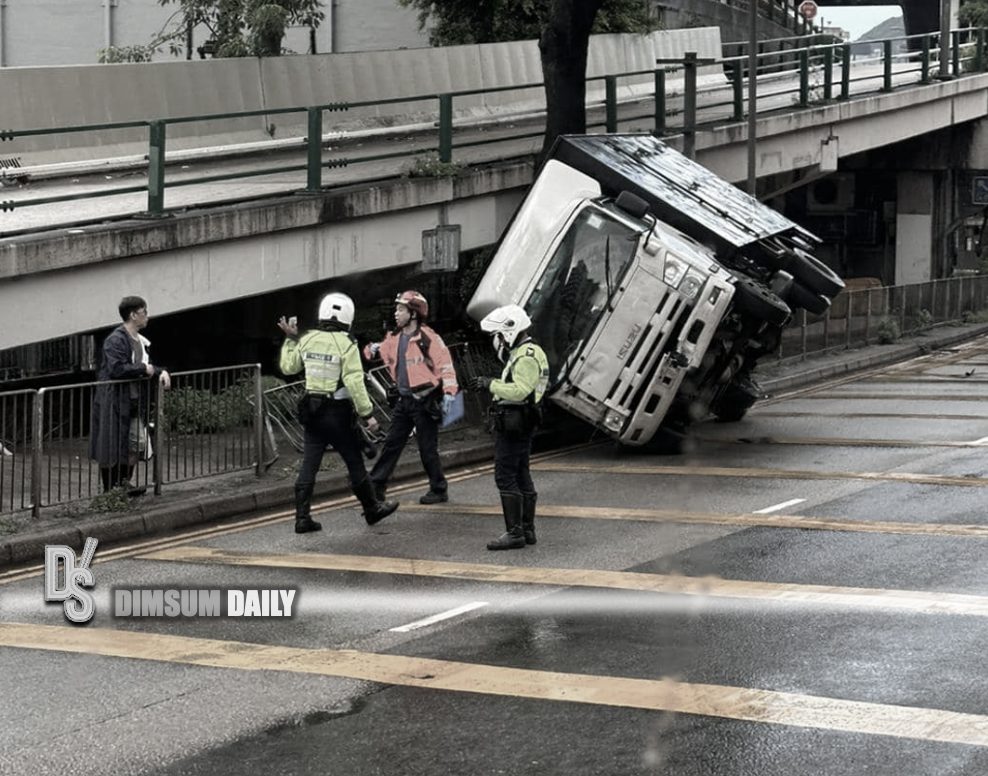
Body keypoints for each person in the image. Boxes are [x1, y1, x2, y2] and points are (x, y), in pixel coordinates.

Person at [278, 292, 399, 534]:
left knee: (309, 464)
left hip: (312, 411)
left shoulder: (308, 339)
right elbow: (354, 382)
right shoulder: (347, 344)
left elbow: (288, 367)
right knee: (354, 462)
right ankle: (372, 509)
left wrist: (291, 339)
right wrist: (368, 415)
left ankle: (302, 518)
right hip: (337, 414)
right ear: (348, 317)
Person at [362, 290, 459, 505]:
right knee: (392, 444)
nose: (396, 313)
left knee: (427, 449)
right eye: (396, 309)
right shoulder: (394, 337)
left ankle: (439, 488)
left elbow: (446, 366)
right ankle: (376, 487)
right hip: (404, 401)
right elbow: (372, 355)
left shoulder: (429, 338)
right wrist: (371, 349)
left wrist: (450, 393)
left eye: (401, 309)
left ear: (413, 314)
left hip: (425, 401)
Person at [467, 304, 550, 550]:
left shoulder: (526, 356)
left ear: (510, 331)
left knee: (505, 475)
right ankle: (527, 530)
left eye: (499, 336)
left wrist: (489, 384)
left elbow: (521, 390)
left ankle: (515, 533)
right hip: (522, 421)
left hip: (516, 421)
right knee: (521, 473)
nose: (498, 341)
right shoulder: (529, 352)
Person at [89, 296, 171, 494]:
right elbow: (117, 369)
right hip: (114, 400)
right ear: (133, 315)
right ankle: (111, 489)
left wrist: (160, 371)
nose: (147, 316)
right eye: (144, 312)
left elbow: (147, 367)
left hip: (133, 400)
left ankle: (124, 483)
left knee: (137, 444)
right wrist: (145, 368)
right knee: (111, 444)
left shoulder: (140, 341)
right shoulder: (115, 340)